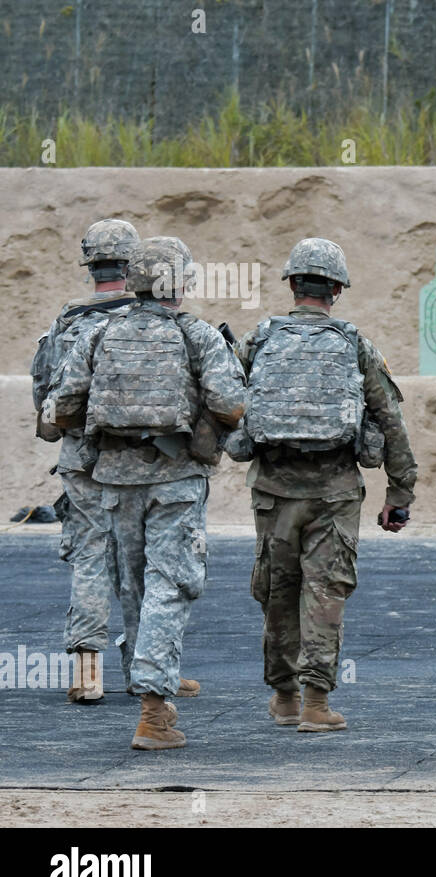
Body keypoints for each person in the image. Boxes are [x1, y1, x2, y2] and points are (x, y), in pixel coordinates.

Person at [46, 236, 246, 749]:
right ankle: (154, 711)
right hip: (175, 480)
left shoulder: (96, 332)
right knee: (168, 584)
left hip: (114, 480)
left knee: (133, 584)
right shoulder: (198, 335)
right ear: (181, 283)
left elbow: (63, 406)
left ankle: (144, 681)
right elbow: (231, 404)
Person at [228, 238, 417, 732]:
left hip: (272, 491)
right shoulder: (355, 344)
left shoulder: (258, 339)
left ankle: (285, 696)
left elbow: (222, 401)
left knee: (277, 590)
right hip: (335, 493)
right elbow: (389, 420)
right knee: (325, 593)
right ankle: (317, 703)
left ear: (292, 284)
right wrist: (400, 493)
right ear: (336, 289)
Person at [31, 219, 138, 703]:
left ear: (90, 265)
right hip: (142, 463)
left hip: (81, 459)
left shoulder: (64, 324)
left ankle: (88, 675)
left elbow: (44, 399)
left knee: (91, 559)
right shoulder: (153, 321)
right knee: (144, 563)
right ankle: (148, 671)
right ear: (134, 264)